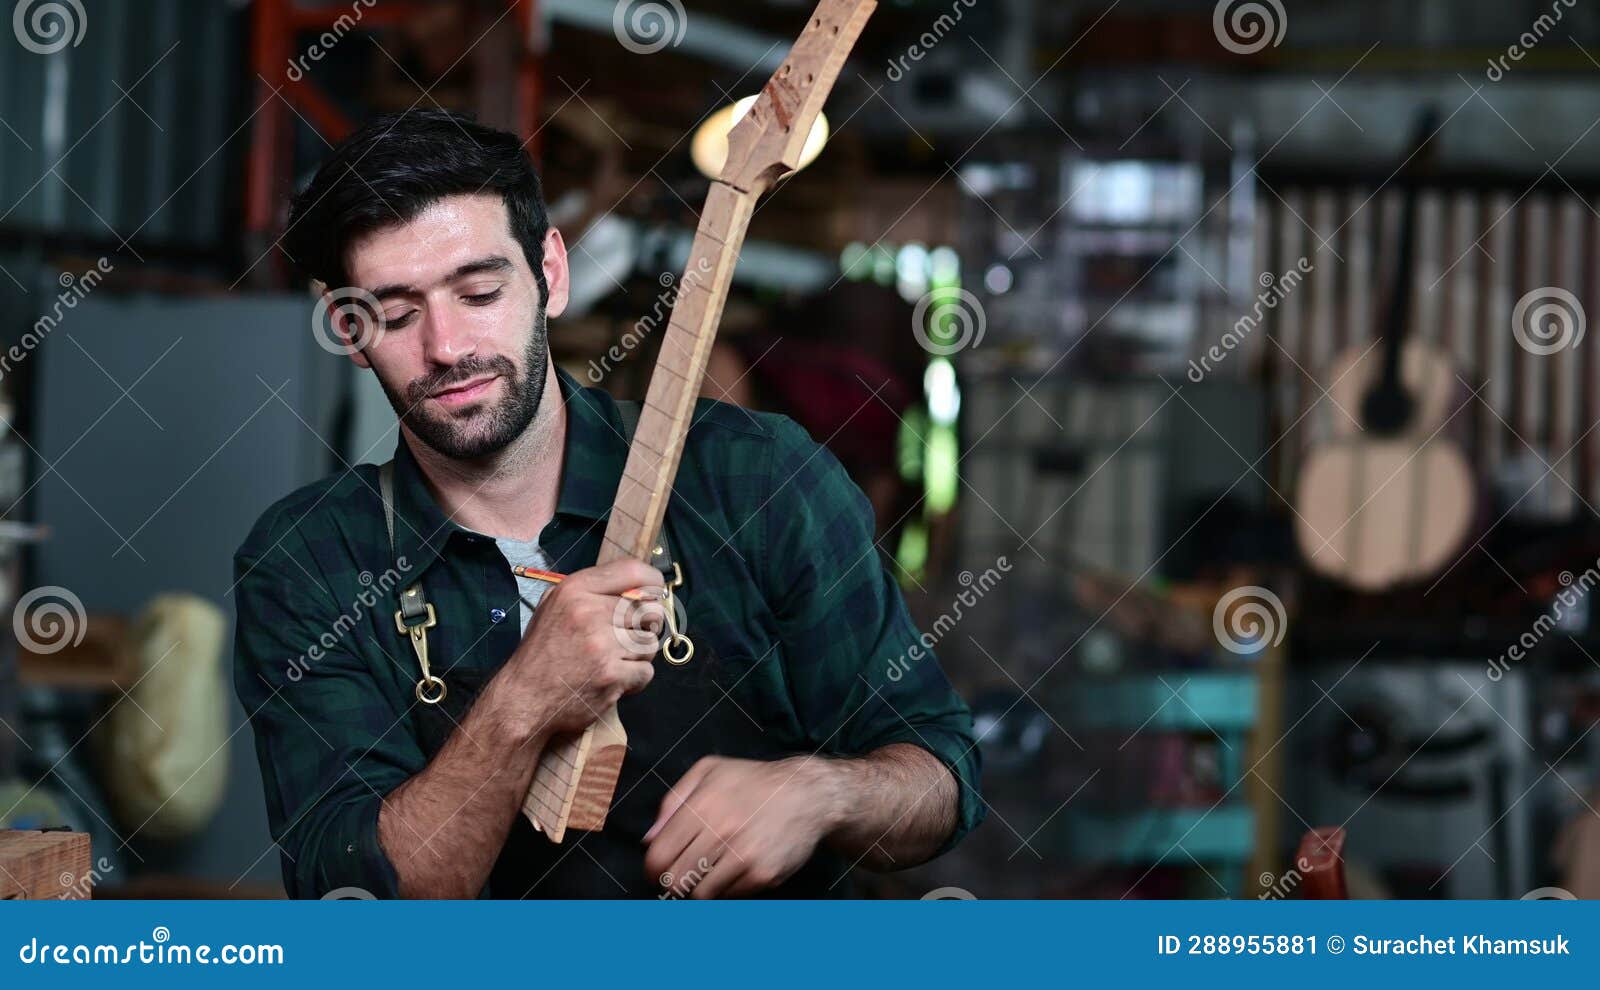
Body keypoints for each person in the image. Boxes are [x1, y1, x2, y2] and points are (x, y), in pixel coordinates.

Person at [233, 110, 982, 898]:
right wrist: (524, 701)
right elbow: (356, 905)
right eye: (395, 313)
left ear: (551, 274)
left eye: (480, 290)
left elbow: (941, 775)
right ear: (348, 331)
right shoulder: (311, 561)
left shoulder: (756, 480)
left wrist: (818, 793)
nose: (448, 346)